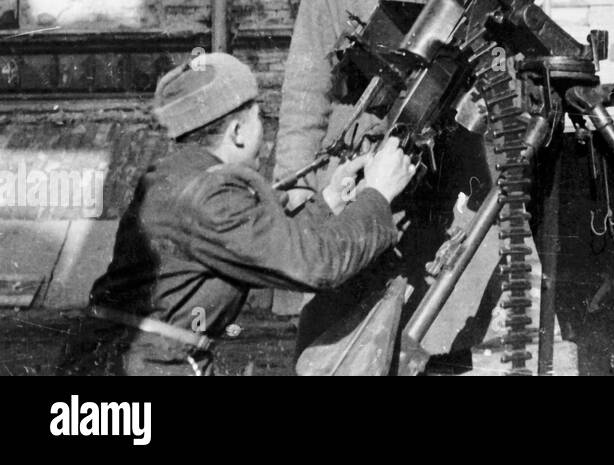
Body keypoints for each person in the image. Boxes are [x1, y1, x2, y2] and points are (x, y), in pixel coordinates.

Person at [274, 0, 497, 374]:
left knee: (440, 325)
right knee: (343, 321)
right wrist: (298, 187)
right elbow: (306, 89)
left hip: (444, 176)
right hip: (359, 173)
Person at [59, 52, 415, 376]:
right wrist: (378, 194)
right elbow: (317, 265)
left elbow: (261, 246)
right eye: (260, 117)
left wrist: (328, 201)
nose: (263, 129)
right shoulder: (211, 196)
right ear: (238, 132)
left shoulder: (176, 175)